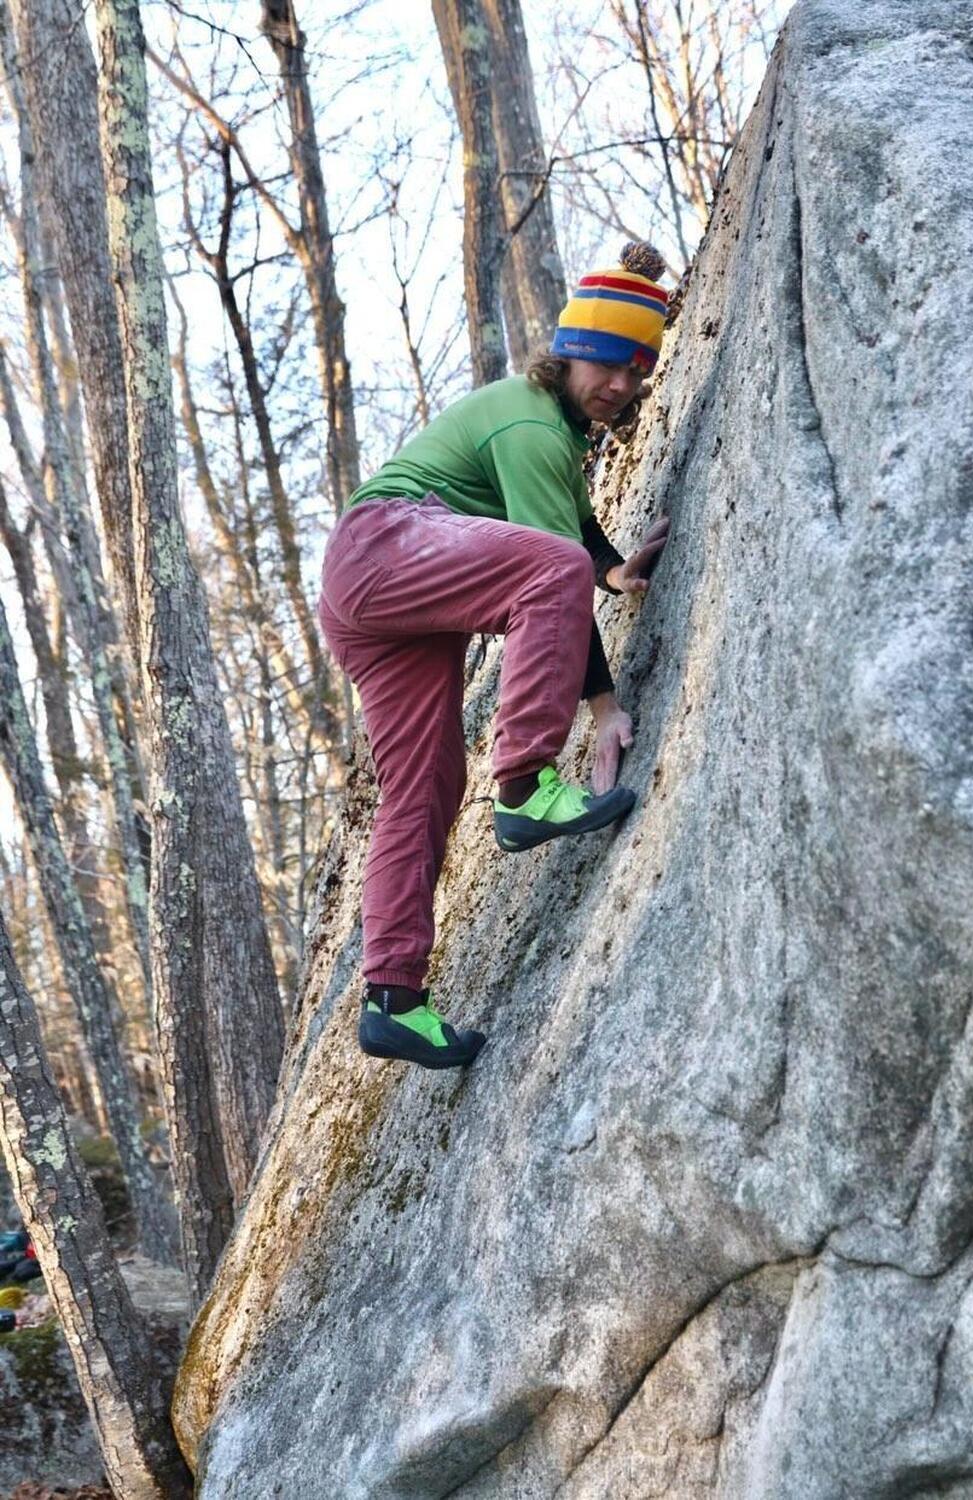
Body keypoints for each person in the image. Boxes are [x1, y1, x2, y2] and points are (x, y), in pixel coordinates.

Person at [318, 241, 673, 1071]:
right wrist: (605, 706)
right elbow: (554, 563)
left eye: (636, 373)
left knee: (425, 785)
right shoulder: (531, 420)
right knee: (552, 570)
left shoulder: (553, 434)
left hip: (371, 598)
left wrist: (613, 570)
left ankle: (393, 999)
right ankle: (524, 785)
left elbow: (575, 535)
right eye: (607, 364)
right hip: (386, 543)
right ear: (569, 352)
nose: (619, 386)